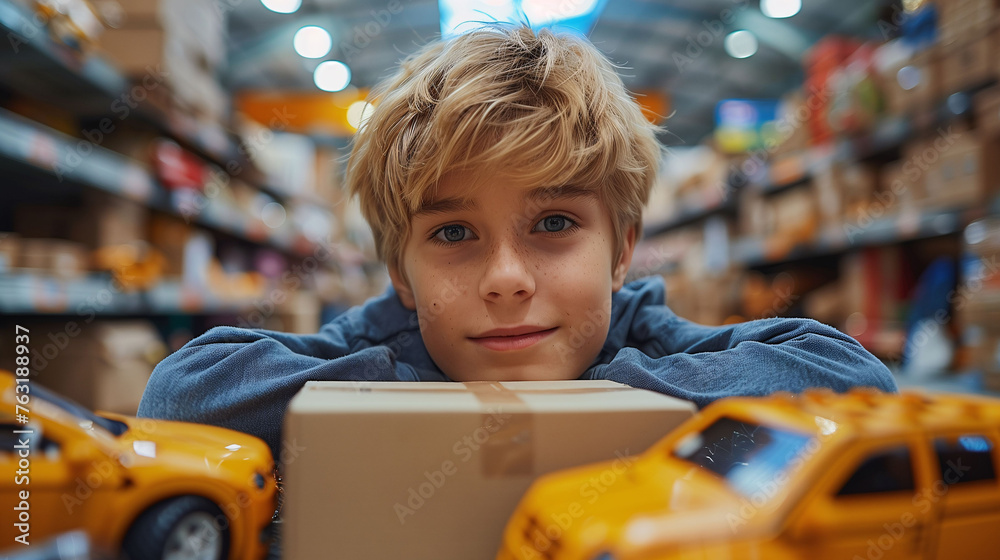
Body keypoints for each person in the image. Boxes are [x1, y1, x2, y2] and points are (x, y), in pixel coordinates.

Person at [138, 24, 896, 460]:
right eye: (453, 233)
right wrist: (415, 400)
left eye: (555, 224)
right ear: (400, 271)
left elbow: (855, 379)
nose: (506, 279)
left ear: (623, 250)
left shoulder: (642, 338)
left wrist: (598, 403)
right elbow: (182, 393)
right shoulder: (391, 340)